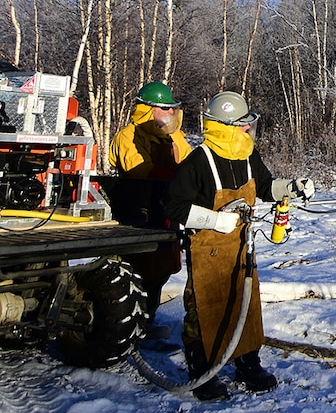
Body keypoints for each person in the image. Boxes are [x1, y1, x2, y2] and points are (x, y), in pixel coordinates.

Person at [165, 91, 314, 401]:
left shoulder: (248, 155)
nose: (249, 130)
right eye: (243, 125)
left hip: (242, 247)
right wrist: (213, 220)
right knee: (202, 310)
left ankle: (248, 365)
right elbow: (175, 206)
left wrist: (293, 187)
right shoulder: (198, 162)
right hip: (207, 251)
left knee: (246, 305)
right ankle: (202, 373)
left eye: (250, 125)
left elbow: (264, 187)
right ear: (226, 126)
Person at [107, 80, 192, 337]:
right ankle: (130, 324)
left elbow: (189, 160)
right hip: (137, 213)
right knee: (138, 269)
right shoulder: (128, 136)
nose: (170, 114)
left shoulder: (173, 136)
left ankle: (149, 319)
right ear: (148, 109)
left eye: (172, 109)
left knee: (162, 268)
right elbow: (139, 169)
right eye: (165, 109)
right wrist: (176, 178)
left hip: (166, 211)